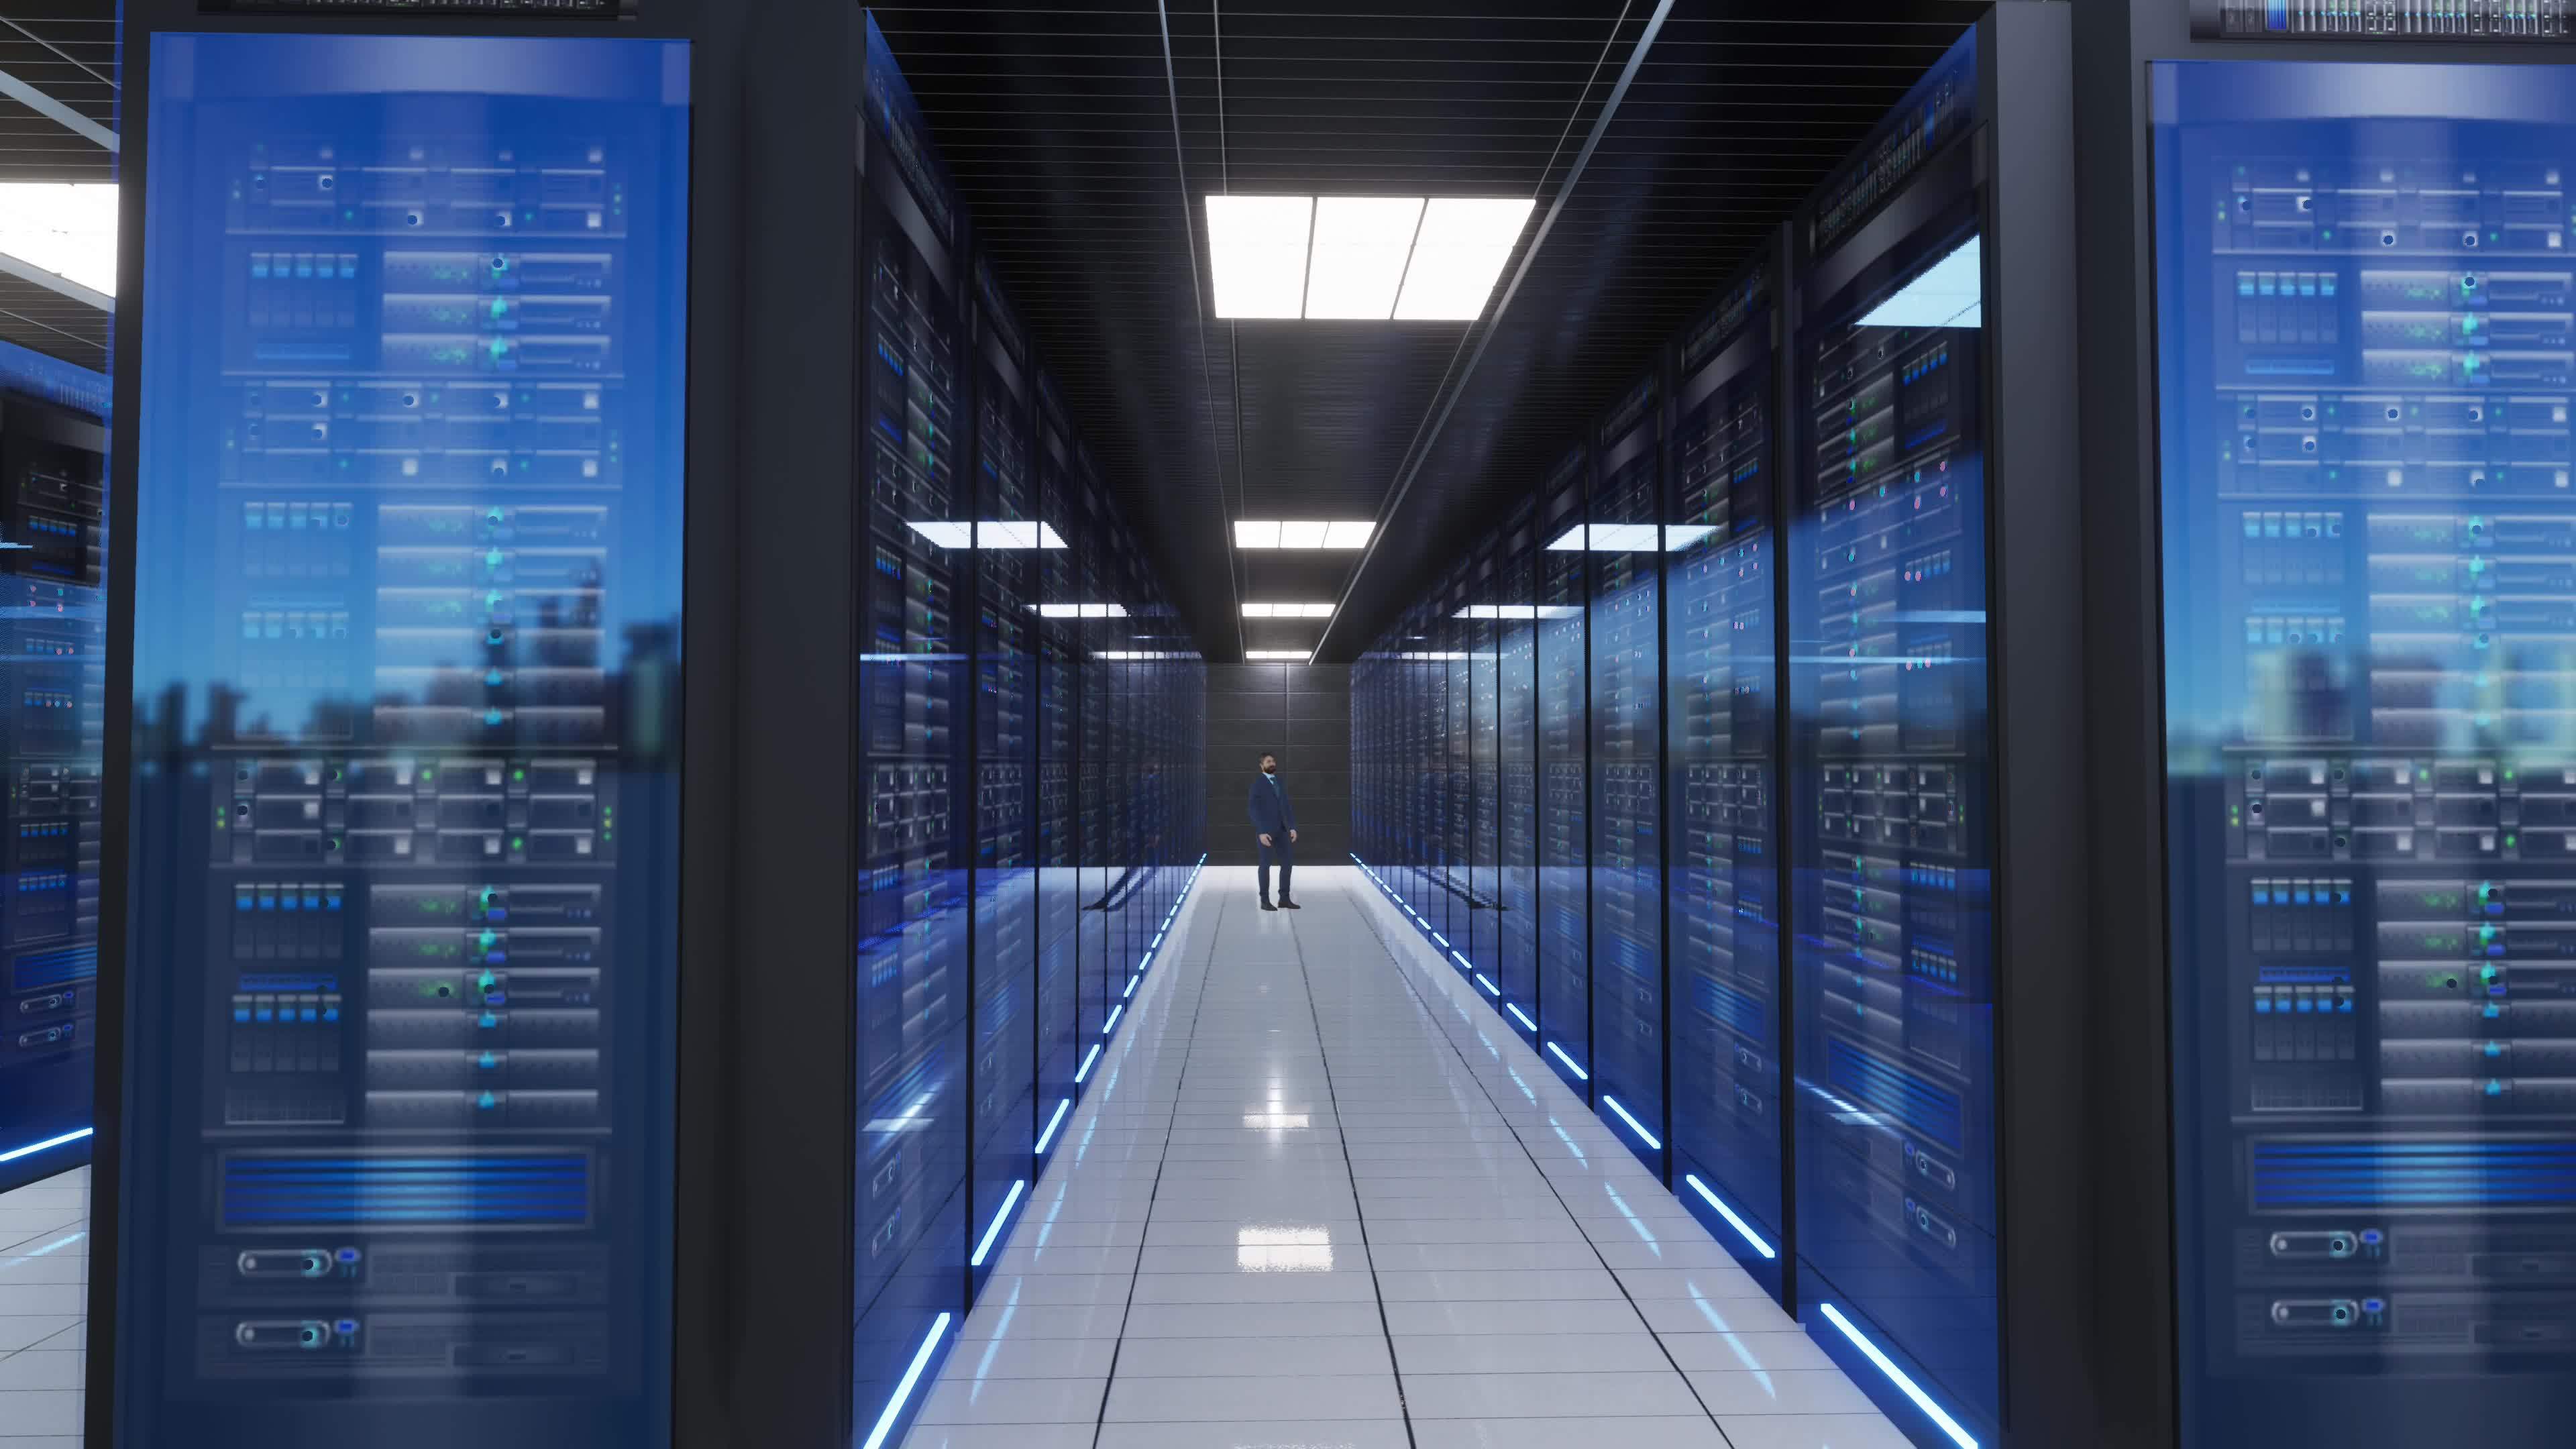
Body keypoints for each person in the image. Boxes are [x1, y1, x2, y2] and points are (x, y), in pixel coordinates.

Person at [1248, 751, 1298, 911]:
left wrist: (1292, 827)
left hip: (1283, 830)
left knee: (1288, 864)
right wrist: (1261, 831)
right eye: (1269, 762)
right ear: (1262, 766)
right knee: (1265, 865)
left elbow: (1286, 806)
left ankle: (1284, 899)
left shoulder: (1279, 782)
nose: (1272, 764)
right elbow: (1253, 809)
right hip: (1267, 832)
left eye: (1273, 761)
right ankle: (1264, 900)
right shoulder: (1258, 784)